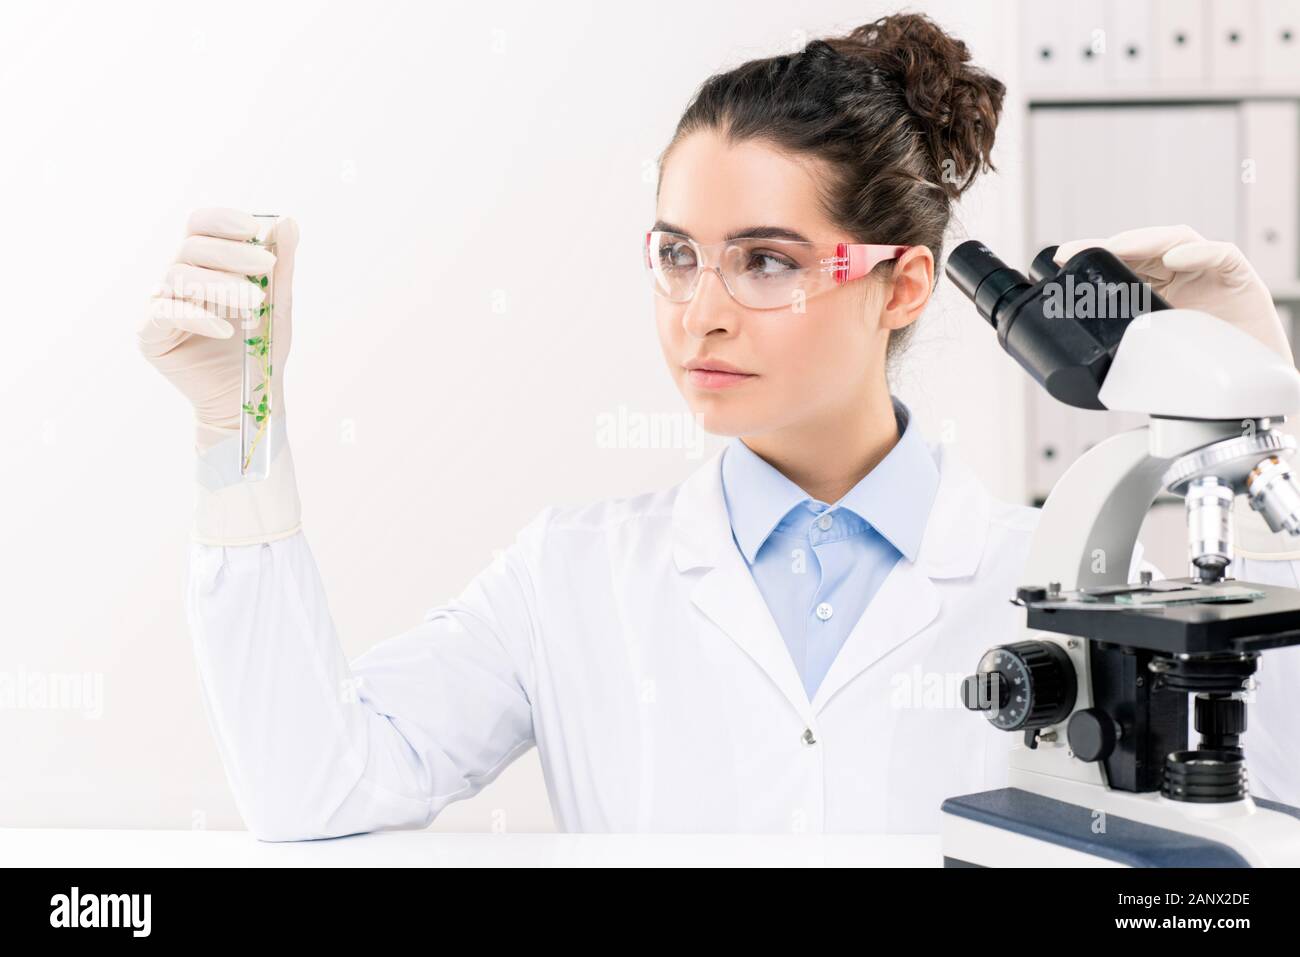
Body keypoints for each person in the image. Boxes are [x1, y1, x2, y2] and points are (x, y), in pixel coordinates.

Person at [137, 13, 1299, 840]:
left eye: (764, 263)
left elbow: (1280, 788)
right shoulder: (570, 577)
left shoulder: (1053, 581)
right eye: (677, 256)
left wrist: (1264, 428)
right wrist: (237, 428)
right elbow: (315, 790)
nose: (700, 312)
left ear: (900, 286)